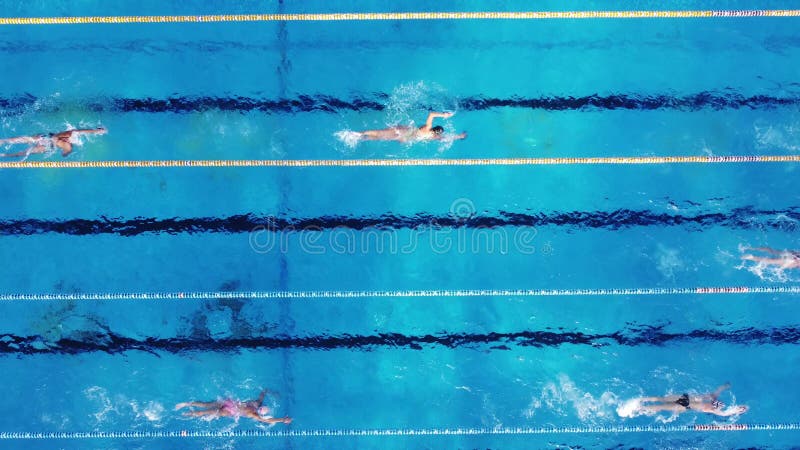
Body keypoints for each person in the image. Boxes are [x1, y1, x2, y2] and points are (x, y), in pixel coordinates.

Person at [618, 383, 748, 418]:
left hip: (686, 405)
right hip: (685, 400)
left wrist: (735, 411)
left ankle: (638, 408)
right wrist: (724, 387)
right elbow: (716, 392)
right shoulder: (715, 401)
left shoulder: (717, 410)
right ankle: (639, 401)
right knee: (661, 400)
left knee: (661, 405)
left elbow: (725, 413)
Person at [174, 389, 292, 424]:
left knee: (206, 404)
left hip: (230, 403)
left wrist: (271, 392)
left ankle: (186, 404)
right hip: (229, 411)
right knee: (205, 413)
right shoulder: (253, 414)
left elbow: (263, 392)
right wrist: (282, 420)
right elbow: (267, 420)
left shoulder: (257, 402)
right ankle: (186, 414)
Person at [354, 111, 467, 143]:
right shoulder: (433, 137)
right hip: (405, 139)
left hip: (404, 132)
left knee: (379, 133)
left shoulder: (428, 128)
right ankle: (362, 138)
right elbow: (447, 138)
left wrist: (444, 115)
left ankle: (358, 134)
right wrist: (459, 136)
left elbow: (431, 114)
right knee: (381, 137)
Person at [0, 127, 107, 158]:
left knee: (24, 153)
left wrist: (97, 131)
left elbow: (64, 154)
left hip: (48, 145)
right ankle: (2, 142)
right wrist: (97, 131)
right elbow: (82, 131)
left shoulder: (69, 146)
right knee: (23, 140)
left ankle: (4, 155)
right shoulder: (70, 134)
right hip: (47, 139)